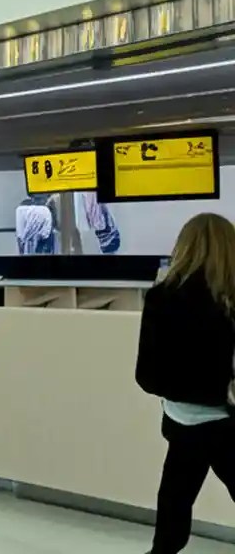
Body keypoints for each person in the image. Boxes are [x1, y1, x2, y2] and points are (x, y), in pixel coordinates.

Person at [135, 213, 235, 554]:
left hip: (181, 422)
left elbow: (146, 375)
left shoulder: (161, 298)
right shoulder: (230, 299)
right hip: (228, 423)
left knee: (174, 506)